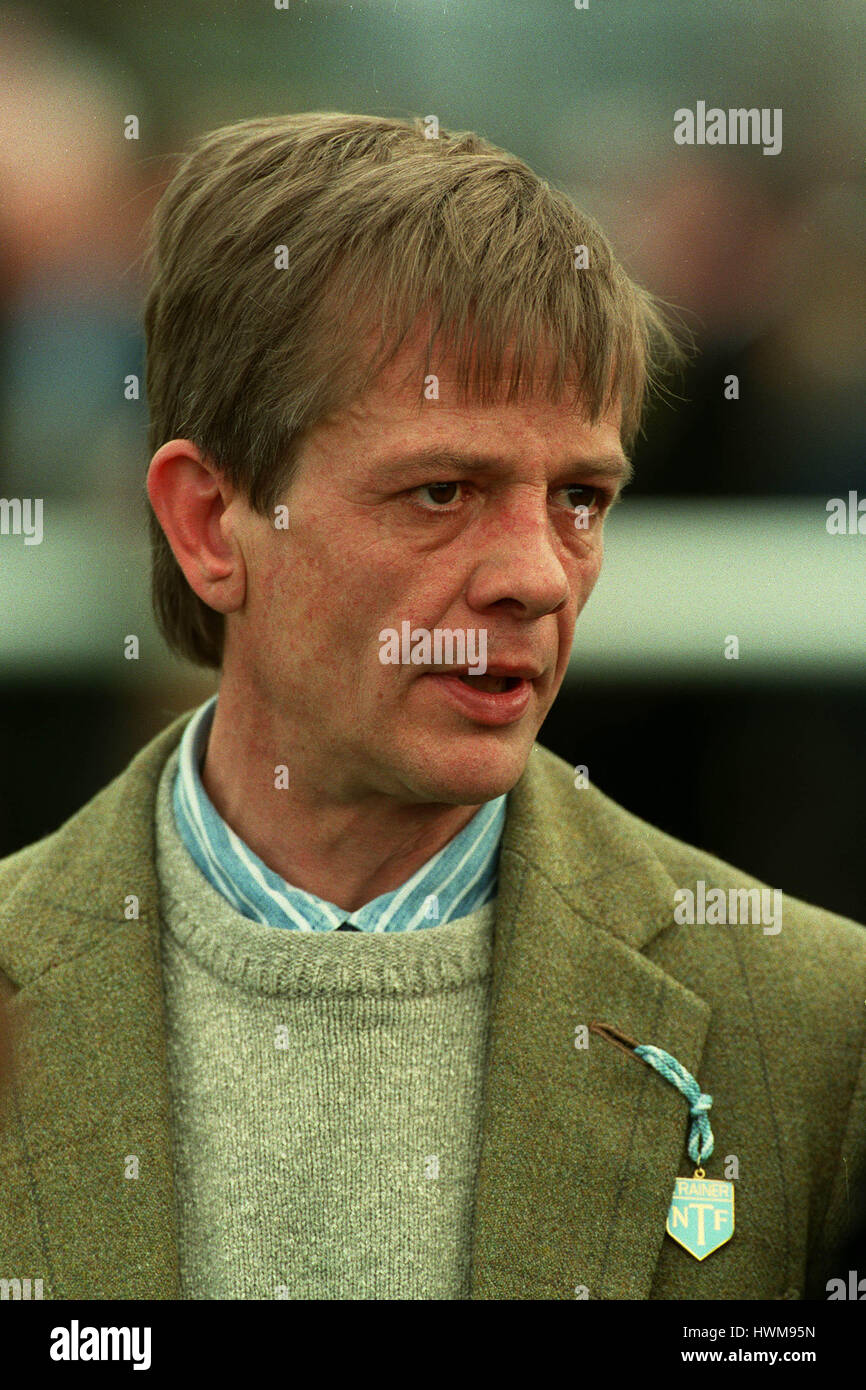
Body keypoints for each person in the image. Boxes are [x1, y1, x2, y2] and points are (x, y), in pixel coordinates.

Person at [1, 113, 864, 1302]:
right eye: (441, 488)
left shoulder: (814, 1032)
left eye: (579, 495)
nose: (539, 573)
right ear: (208, 522)